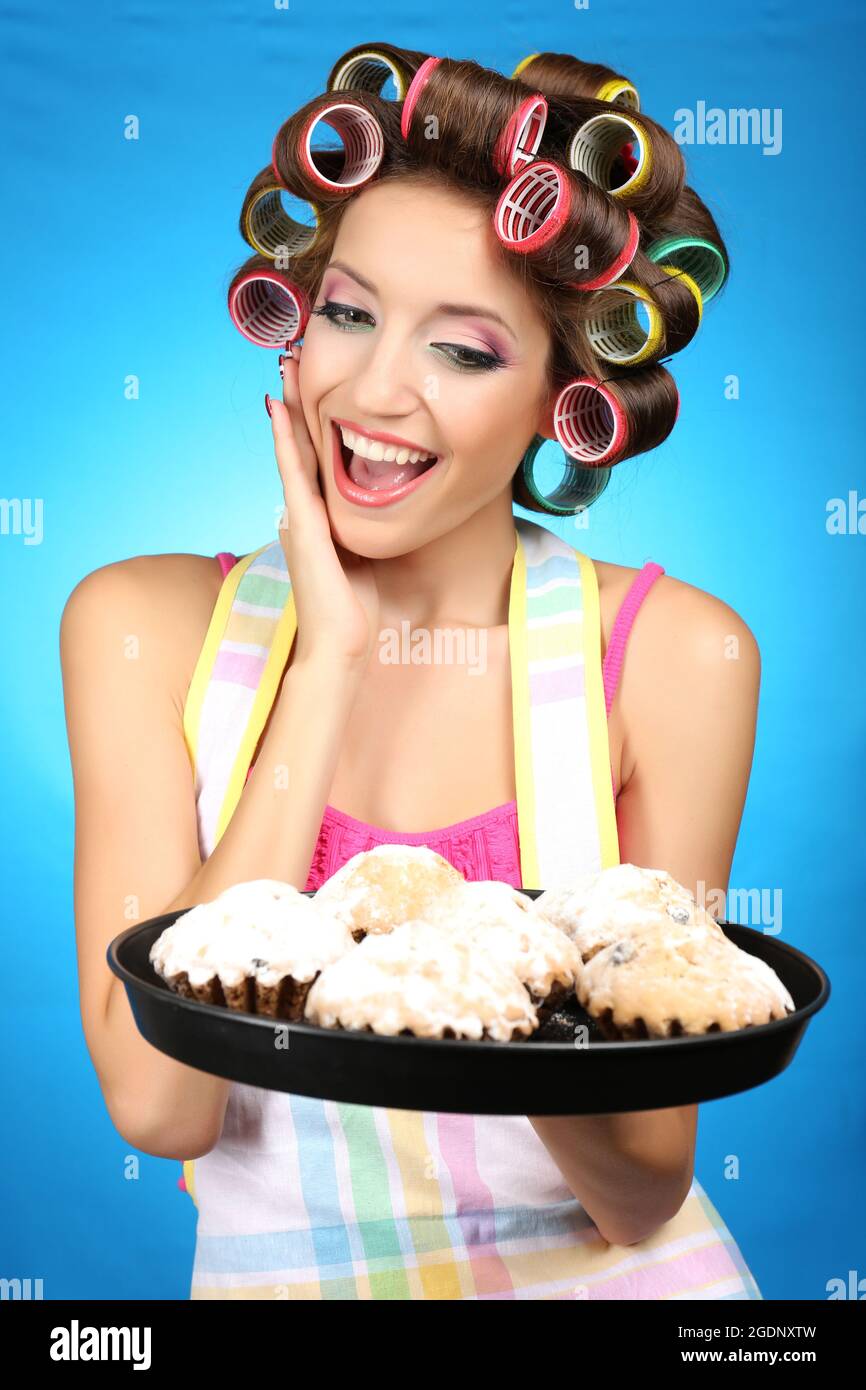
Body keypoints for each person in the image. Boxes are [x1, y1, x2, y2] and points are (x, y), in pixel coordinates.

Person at [61, 44, 763, 1299]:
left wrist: (489, 973)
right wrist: (325, 661)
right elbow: (161, 1102)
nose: (377, 389)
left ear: (562, 392)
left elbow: (638, 1189)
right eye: (347, 312)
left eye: (464, 351)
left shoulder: (668, 659)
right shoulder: (141, 627)